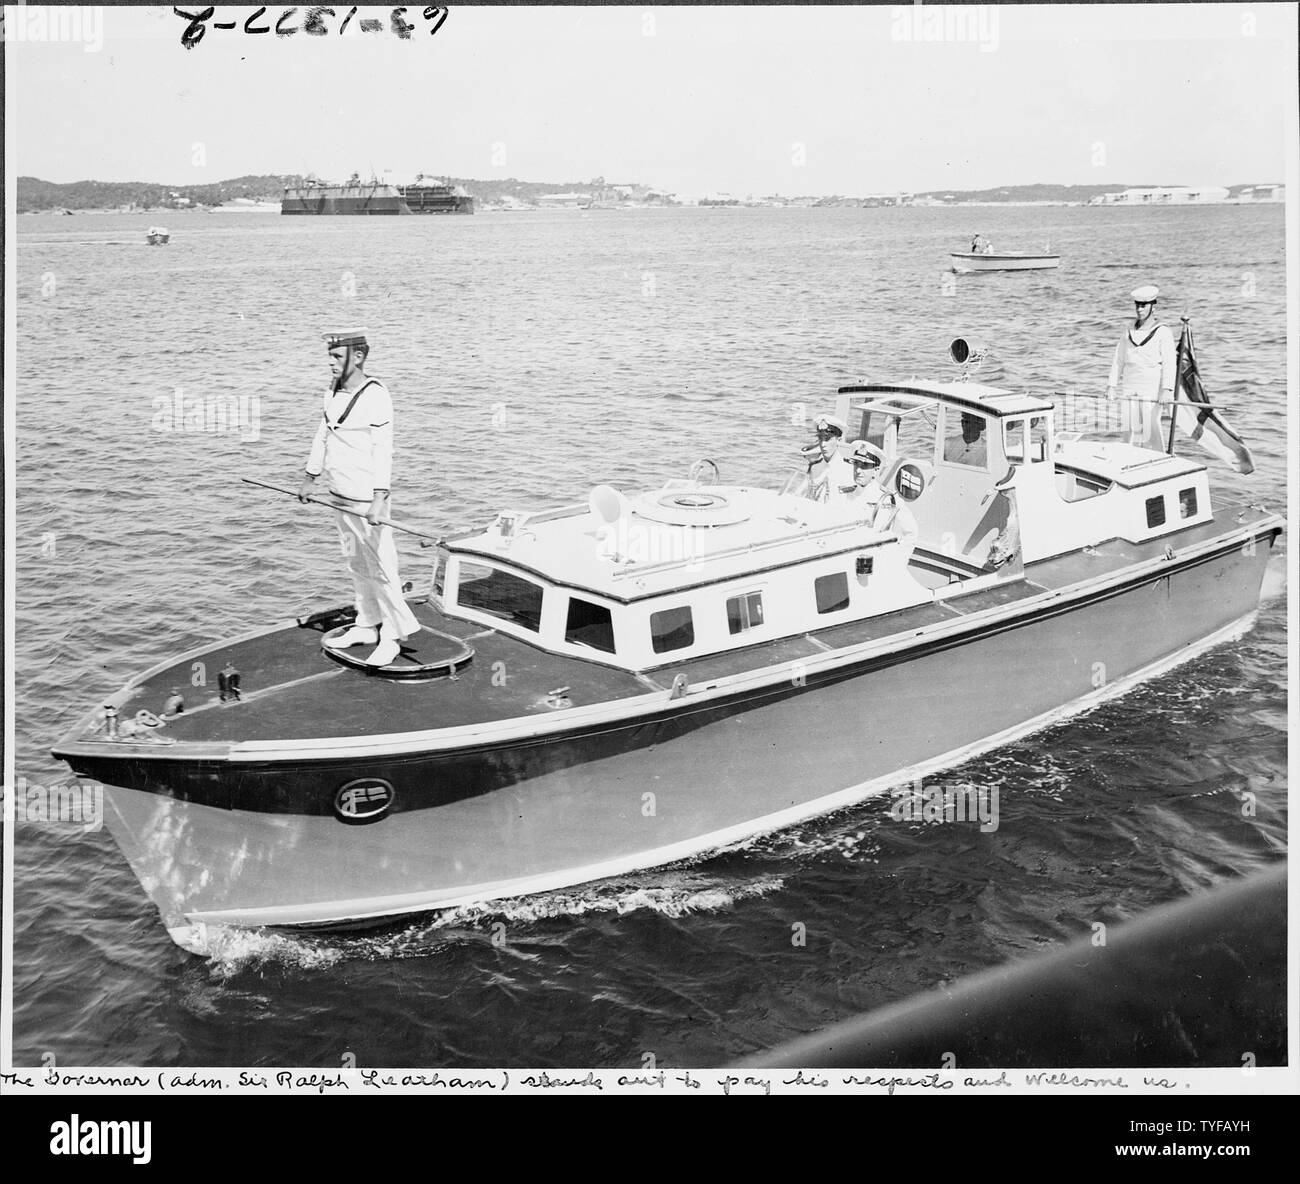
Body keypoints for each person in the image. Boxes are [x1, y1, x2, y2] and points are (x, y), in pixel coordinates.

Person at [298, 329, 419, 666]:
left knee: (382, 568)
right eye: (330, 356)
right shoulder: (332, 392)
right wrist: (310, 478)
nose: (330, 362)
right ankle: (367, 623)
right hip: (338, 496)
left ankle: (393, 635)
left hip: (367, 502)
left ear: (359, 357)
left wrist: (380, 498)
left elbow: (384, 451)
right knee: (355, 563)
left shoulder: (376, 395)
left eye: (337, 356)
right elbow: (323, 434)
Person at [1106, 284, 1176, 451]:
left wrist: (1166, 390)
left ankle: (1158, 457)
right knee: (1128, 427)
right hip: (1130, 385)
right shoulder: (1128, 331)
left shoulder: (1162, 331)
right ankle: (1127, 457)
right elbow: (1119, 359)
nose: (1139, 309)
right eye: (1137, 305)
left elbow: (1169, 363)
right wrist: (1111, 386)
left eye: (1143, 305)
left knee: (1151, 427)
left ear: (1153, 306)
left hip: (1151, 387)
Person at [808, 414, 856, 503]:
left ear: (839, 439)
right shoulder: (814, 467)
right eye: (820, 438)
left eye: (827, 439)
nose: (823, 444)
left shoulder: (849, 470)